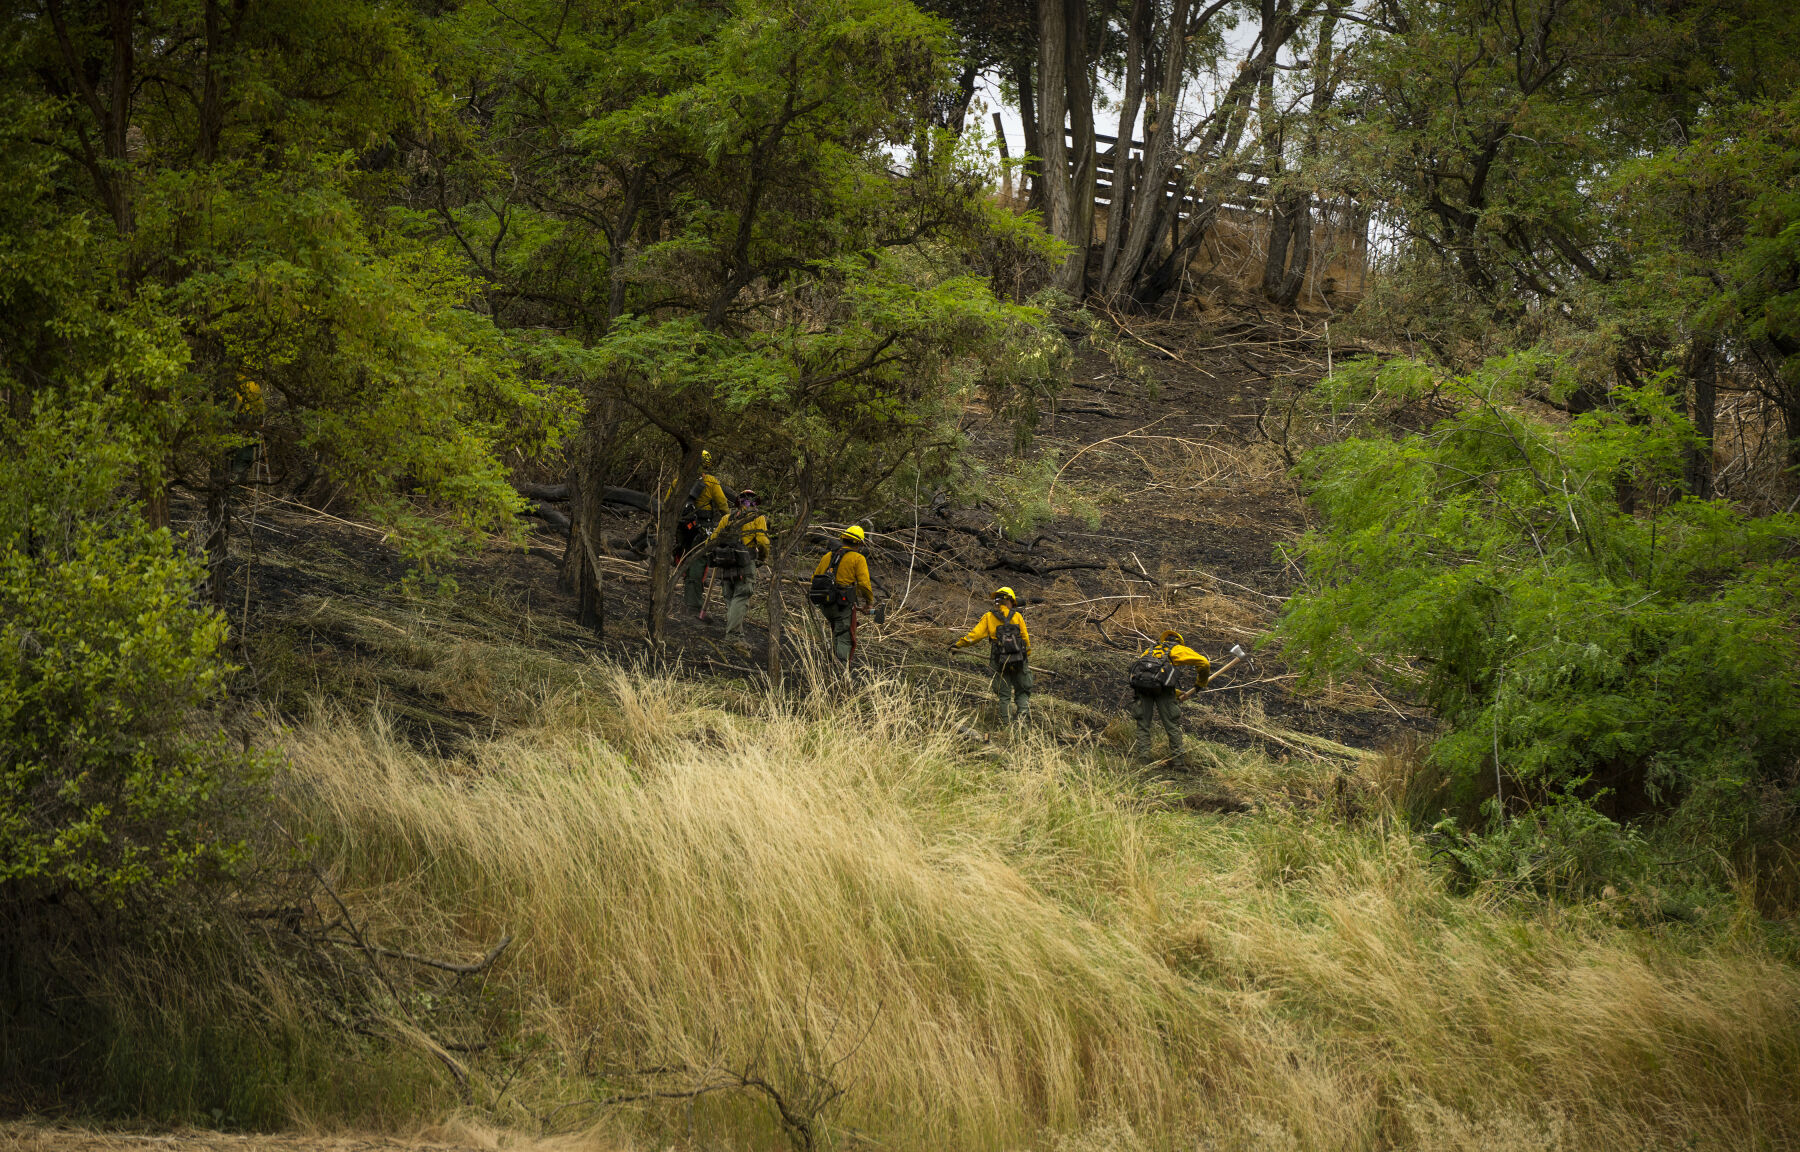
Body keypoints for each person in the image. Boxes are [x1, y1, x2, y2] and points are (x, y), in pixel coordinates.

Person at [951, 587, 1033, 727]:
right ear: (1011, 601)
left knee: (1004, 694)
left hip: (999, 659)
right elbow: (1025, 639)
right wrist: (1026, 656)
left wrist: (959, 645)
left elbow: (975, 636)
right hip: (1020, 658)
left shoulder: (989, 616)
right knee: (1022, 691)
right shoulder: (1018, 616)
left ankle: (1006, 725)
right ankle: (1022, 724)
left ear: (997, 601)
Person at [1127, 630, 1210, 762]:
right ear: (1179, 642)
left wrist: (1175, 692)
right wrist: (1201, 683)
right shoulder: (1178, 650)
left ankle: (1143, 758)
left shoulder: (1149, 650)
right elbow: (1204, 663)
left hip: (1142, 688)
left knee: (1143, 724)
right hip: (1164, 691)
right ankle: (1178, 761)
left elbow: (1151, 677)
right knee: (1171, 725)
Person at [704, 489, 770, 639]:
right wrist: (762, 558)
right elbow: (763, 542)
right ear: (755, 502)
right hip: (745, 564)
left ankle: (736, 633)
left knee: (730, 598)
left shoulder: (726, 518)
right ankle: (733, 636)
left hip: (725, 564)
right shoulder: (758, 518)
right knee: (741, 597)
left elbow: (711, 540)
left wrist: (713, 555)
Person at [675, 450, 732, 615]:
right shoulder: (711, 482)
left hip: (682, 529)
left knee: (685, 558)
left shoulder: (678, 481)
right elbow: (723, 506)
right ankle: (693, 605)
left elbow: (668, 503)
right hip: (701, 529)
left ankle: (688, 600)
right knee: (698, 562)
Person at [809, 525, 873, 664]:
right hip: (841, 606)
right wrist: (869, 603)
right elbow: (864, 585)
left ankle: (831, 663)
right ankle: (840, 669)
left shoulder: (828, 556)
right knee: (845, 637)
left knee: (837, 632)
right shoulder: (858, 558)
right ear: (859, 543)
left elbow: (814, 578)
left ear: (843, 538)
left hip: (825, 605)